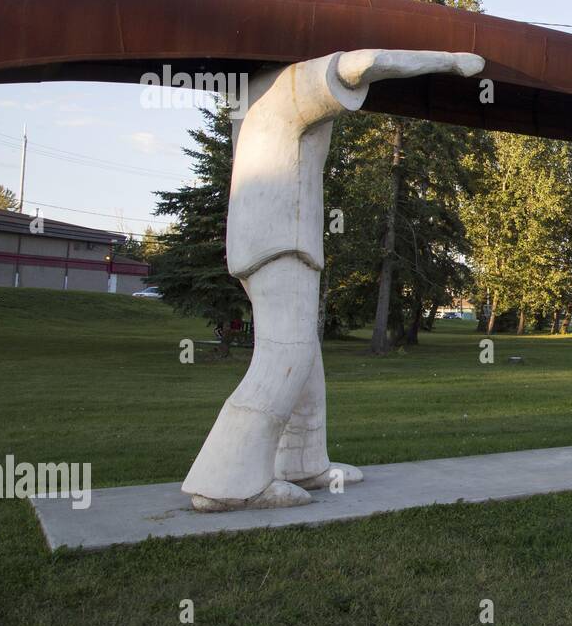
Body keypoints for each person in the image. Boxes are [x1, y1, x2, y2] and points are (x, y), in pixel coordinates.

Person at [183, 49, 484, 511]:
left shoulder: (252, 95)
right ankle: (226, 481)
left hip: (266, 237)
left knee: (306, 360)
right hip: (280, 239)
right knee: (287, 354)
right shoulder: (287, 83)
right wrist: (449, 61)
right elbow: (362, 64)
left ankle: (302, 462)